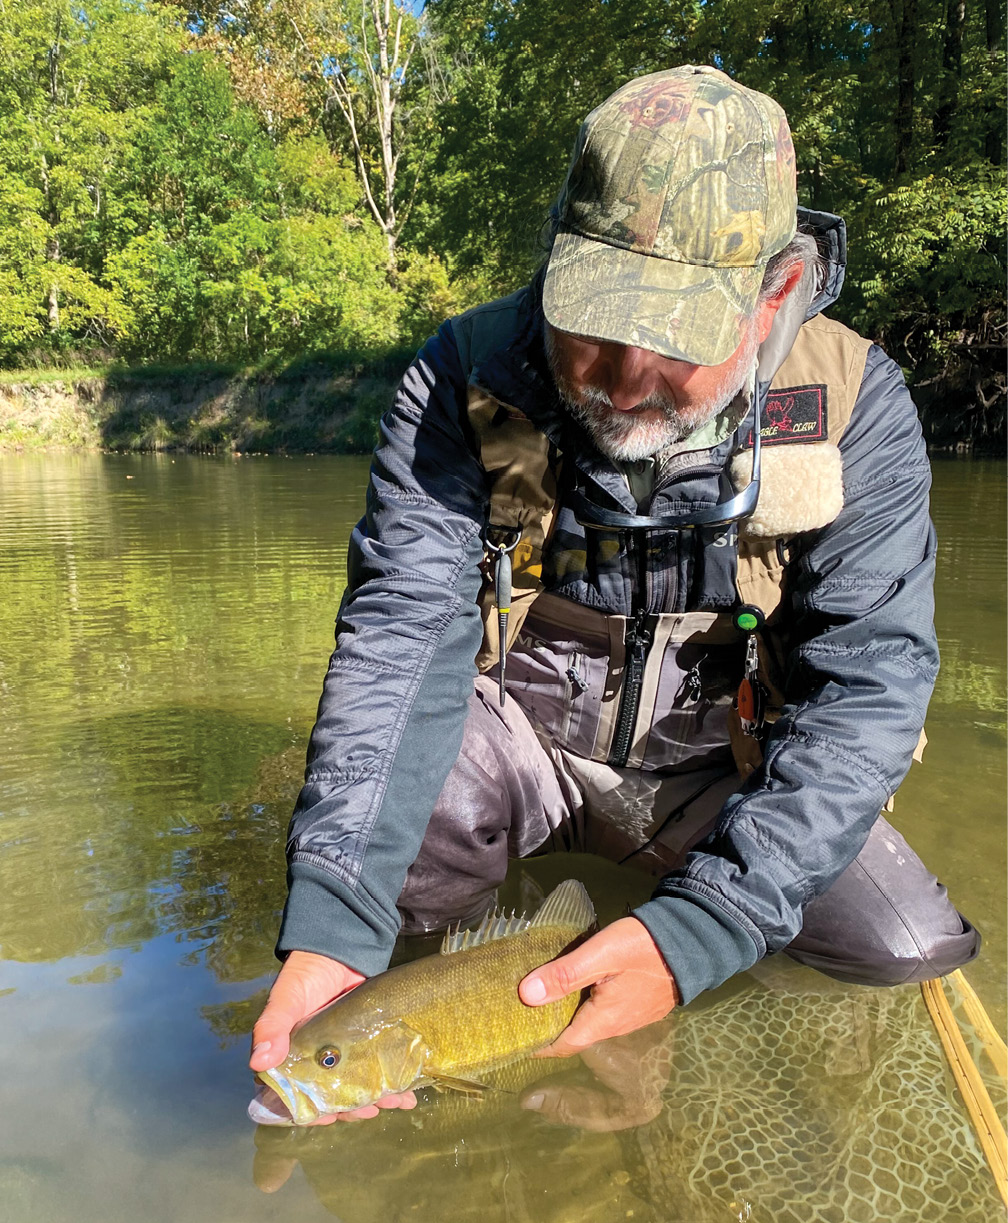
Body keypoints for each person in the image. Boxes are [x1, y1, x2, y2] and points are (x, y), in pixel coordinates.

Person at [249, 65, 979, 1121]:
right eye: (595, 317)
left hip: (722, 769)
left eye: (676, 333)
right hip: (521, 742)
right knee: (376, 869)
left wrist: (702, 932)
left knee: (903, 948)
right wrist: (332, 924)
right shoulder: (471, 377)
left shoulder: (855, 404)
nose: (624, 374)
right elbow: (402, 642)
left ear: (774, 292)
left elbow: (866, 696)